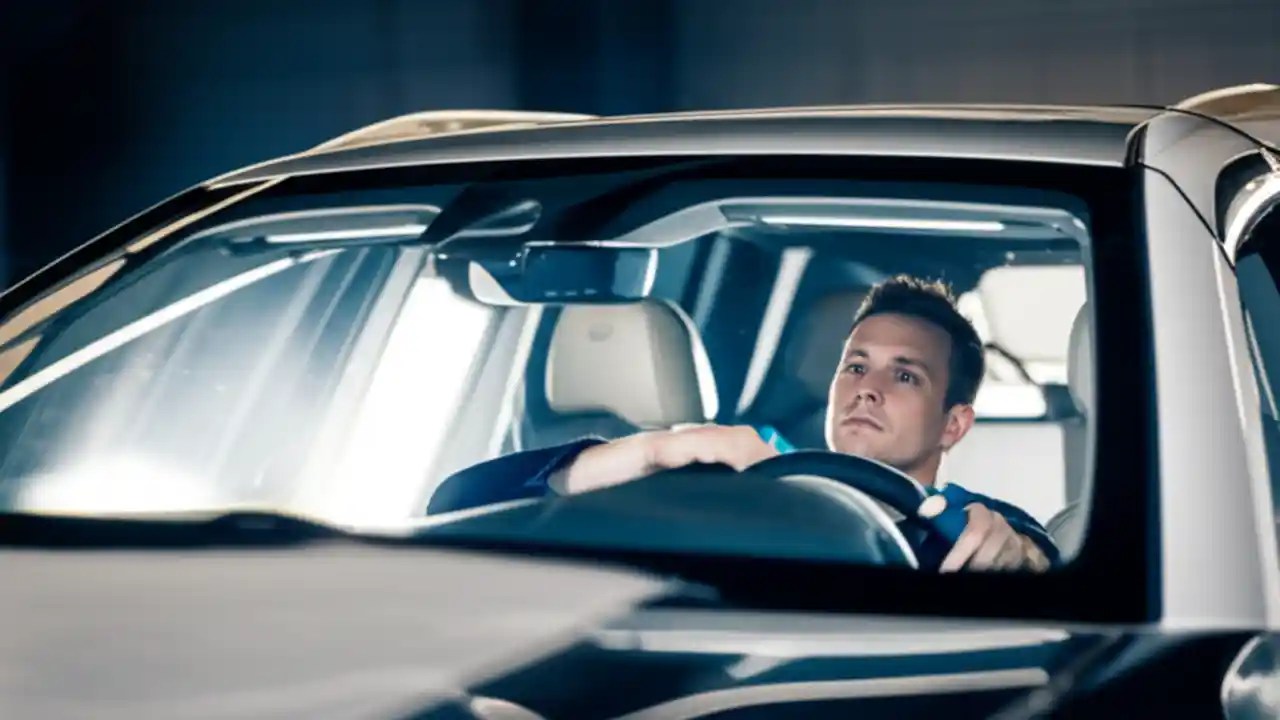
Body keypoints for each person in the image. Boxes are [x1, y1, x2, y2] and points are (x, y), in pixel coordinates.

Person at [428, 275, 1058, 573]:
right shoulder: (730, 487)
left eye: (905, 375)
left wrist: (1023, 562)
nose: (867, 388)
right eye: (855, 366)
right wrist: (654, 455)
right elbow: (458, 506)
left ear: (954, 425)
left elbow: (1037, 558)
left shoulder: (976, 523)